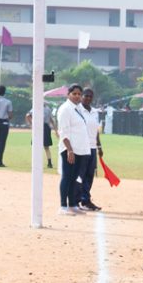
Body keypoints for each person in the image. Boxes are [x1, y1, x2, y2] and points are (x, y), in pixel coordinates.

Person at [55, 84, 92, 214]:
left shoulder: (78, 108)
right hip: (69, 149)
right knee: (67, 177)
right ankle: (62, 206)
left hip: (80, 149)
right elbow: (63, 132)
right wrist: (69, 150)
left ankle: (72, 205)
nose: (77, 96)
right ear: (68, 94)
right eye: (74, 94)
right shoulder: (65, 109)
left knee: (74, 178)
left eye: (79, 94)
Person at [77, 87, 101, 210]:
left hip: (92, 147)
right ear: (81, 96)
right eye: (86, 95)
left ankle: (86, 200)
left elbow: (96, 130)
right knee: (80, 175)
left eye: (90, 96)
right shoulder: (77, 110)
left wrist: (99, 146)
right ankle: (75, 200)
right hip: (81, 147)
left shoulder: (95, 112)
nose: (88, 98)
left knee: (89, 175)